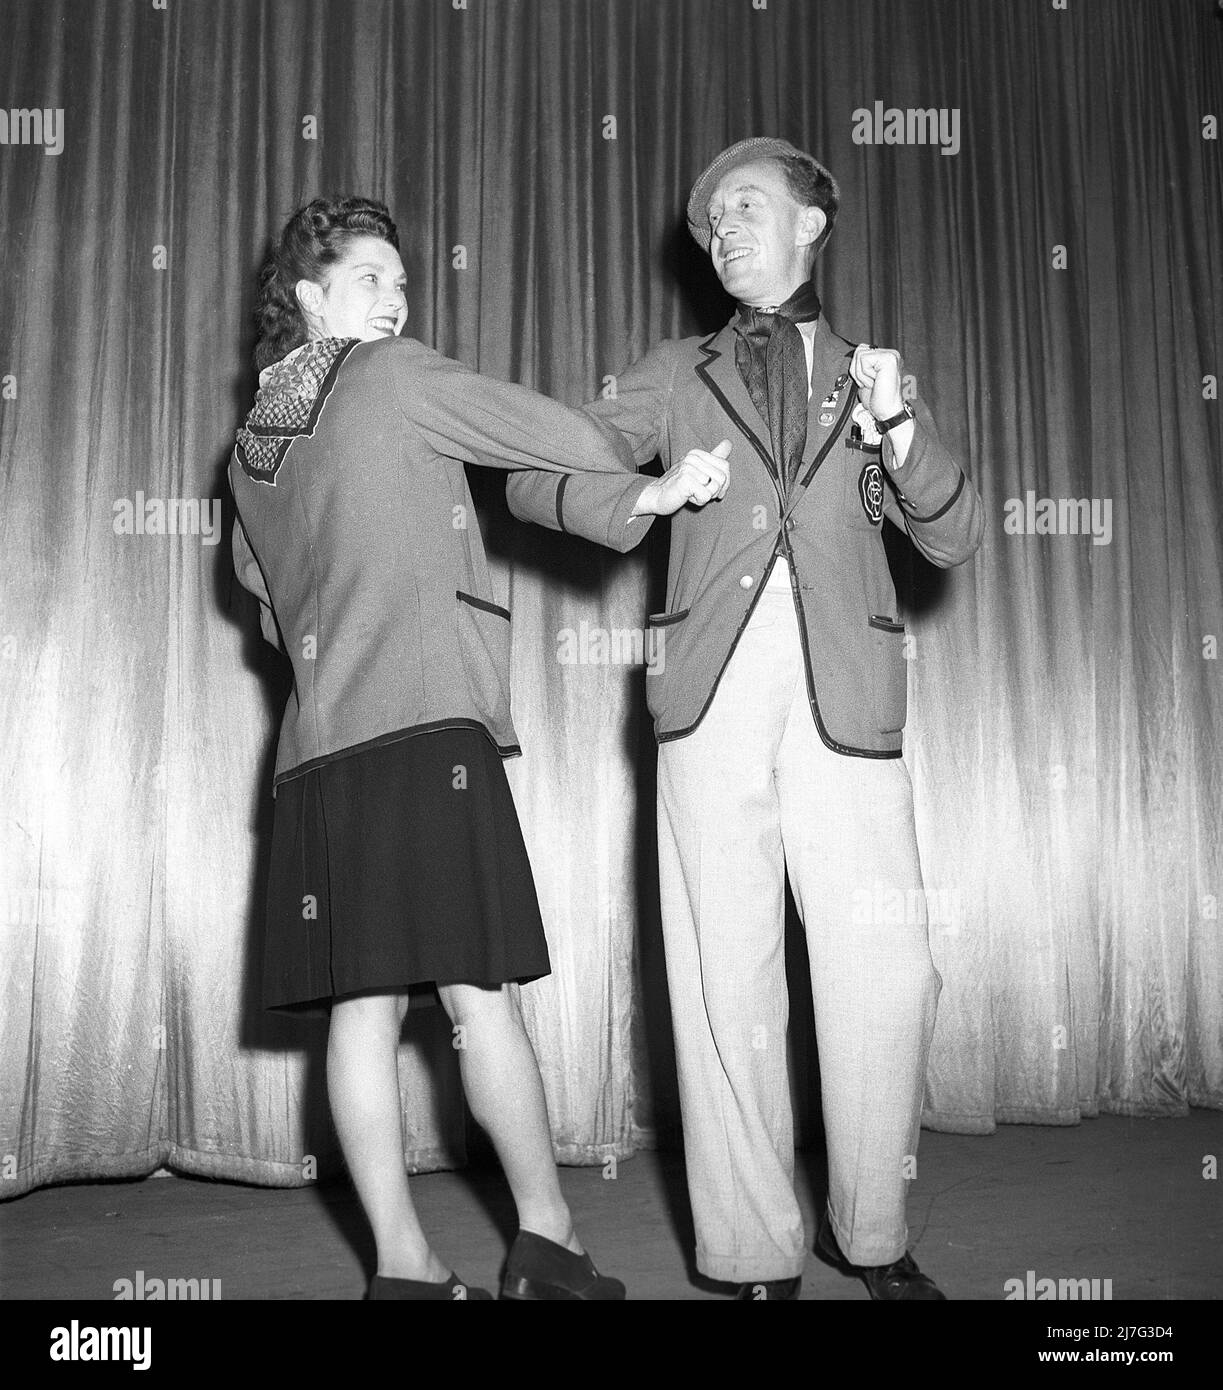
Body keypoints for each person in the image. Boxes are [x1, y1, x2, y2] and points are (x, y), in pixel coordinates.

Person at [507, 138, 984, 1299]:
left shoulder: (873, 372)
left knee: (886, 970)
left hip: (848, 696)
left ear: (812, 222)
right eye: (710, 219)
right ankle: (750, 1250)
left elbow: (954, 534)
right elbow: (532, 474)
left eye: (745, 206)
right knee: (727, 978)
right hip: (708, 695)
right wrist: (647, 494)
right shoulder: (672, 370)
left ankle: (868, 1232)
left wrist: (901, 429)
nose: (721, 230)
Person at [229, 194, 725, 1300]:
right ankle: (546, 1242)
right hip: (421, 726)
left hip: (317, 752)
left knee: (358, 1014)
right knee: (477, 997)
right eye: (370, 278)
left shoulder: (251, 446)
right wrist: (658, 460)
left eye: (402, 284)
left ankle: (402, 1269)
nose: (395, 301)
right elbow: (554, 433)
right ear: (308, 296)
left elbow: (263, 605)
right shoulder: (392, 375)